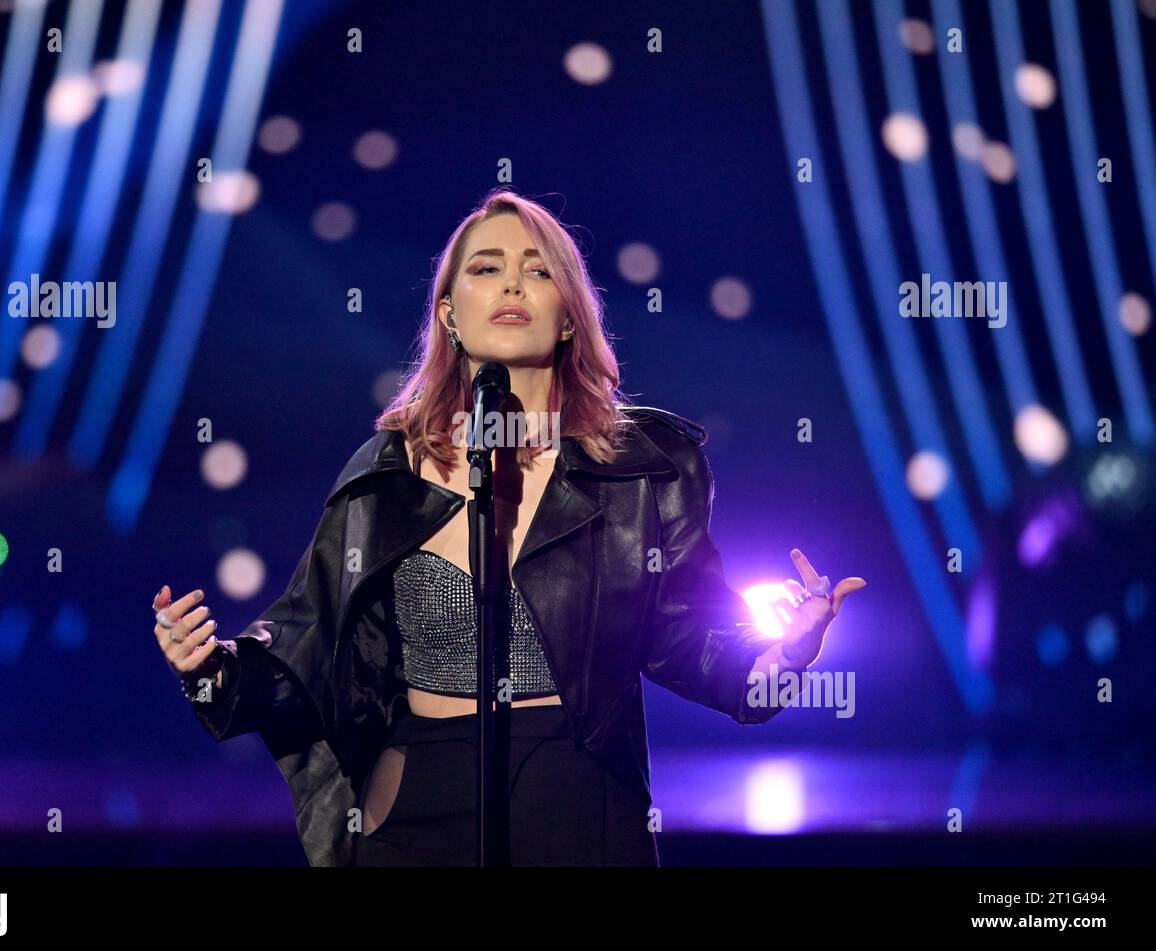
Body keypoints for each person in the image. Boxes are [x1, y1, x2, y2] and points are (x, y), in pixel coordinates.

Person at [152, 188, 866, 866]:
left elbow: (685, 639)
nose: (512, 286)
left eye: (538, 271)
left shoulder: (645, 469)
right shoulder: (386, 474)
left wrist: (788, 659)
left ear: (569, 316)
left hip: (576, 795)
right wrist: (211, 670)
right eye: (486, 269)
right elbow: (313, 641)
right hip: (414, 802)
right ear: (449, 315)